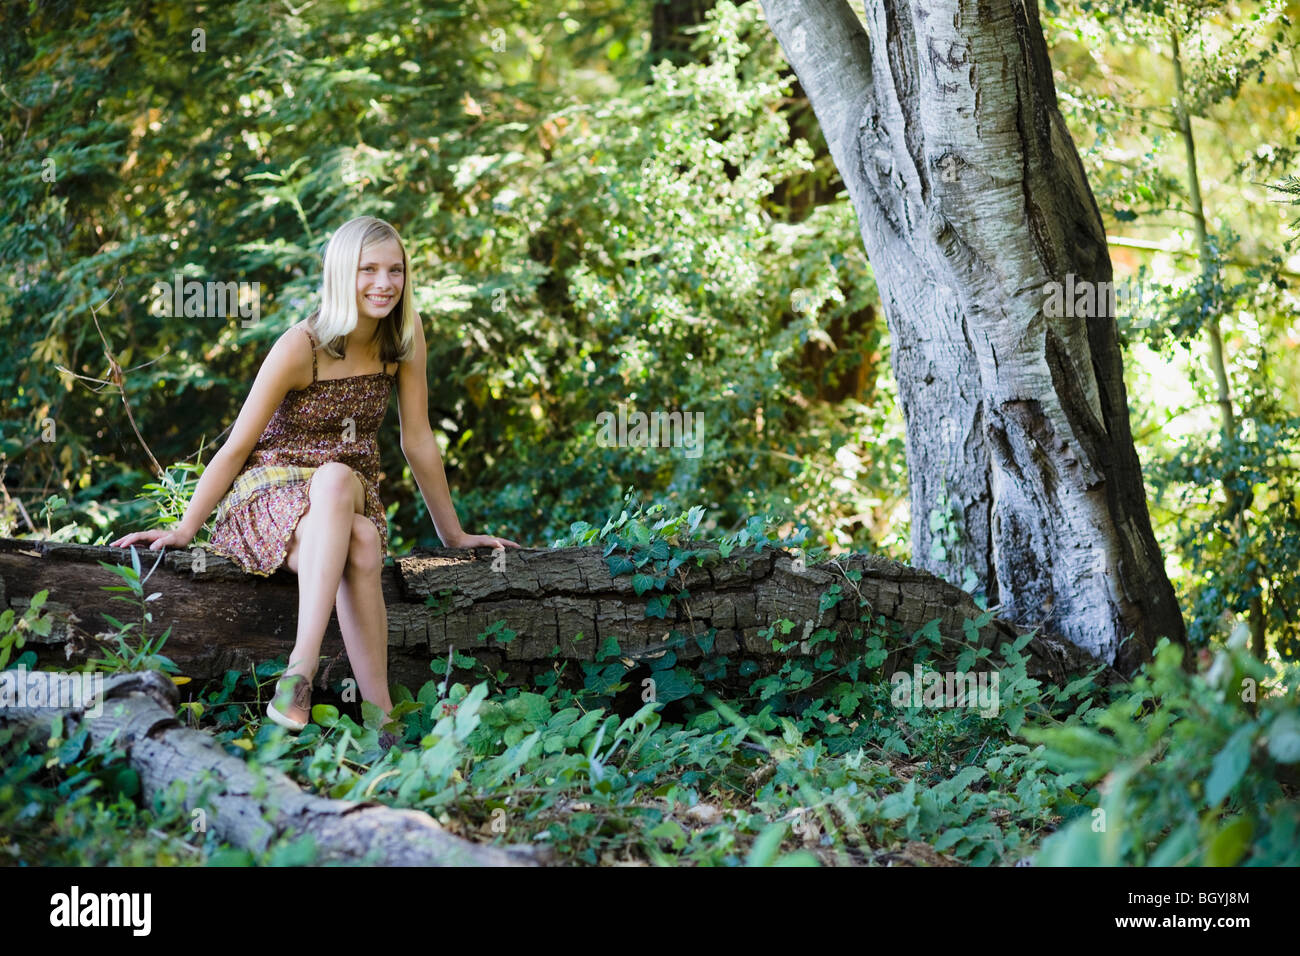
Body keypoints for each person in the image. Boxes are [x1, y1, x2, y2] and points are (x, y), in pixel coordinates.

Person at [110, 216, 520, 734]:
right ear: (341, 274)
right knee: (363, 540)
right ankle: (359, 706)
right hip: (271, 494)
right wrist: (185, 529)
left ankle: (365, 717)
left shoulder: (404, 334)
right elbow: (238, 446)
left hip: (347, 491)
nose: (384, 283)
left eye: (395, 270)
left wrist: (454, 535)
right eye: (368, 269)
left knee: (339, 483)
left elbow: (415, 438)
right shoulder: (300, 345)